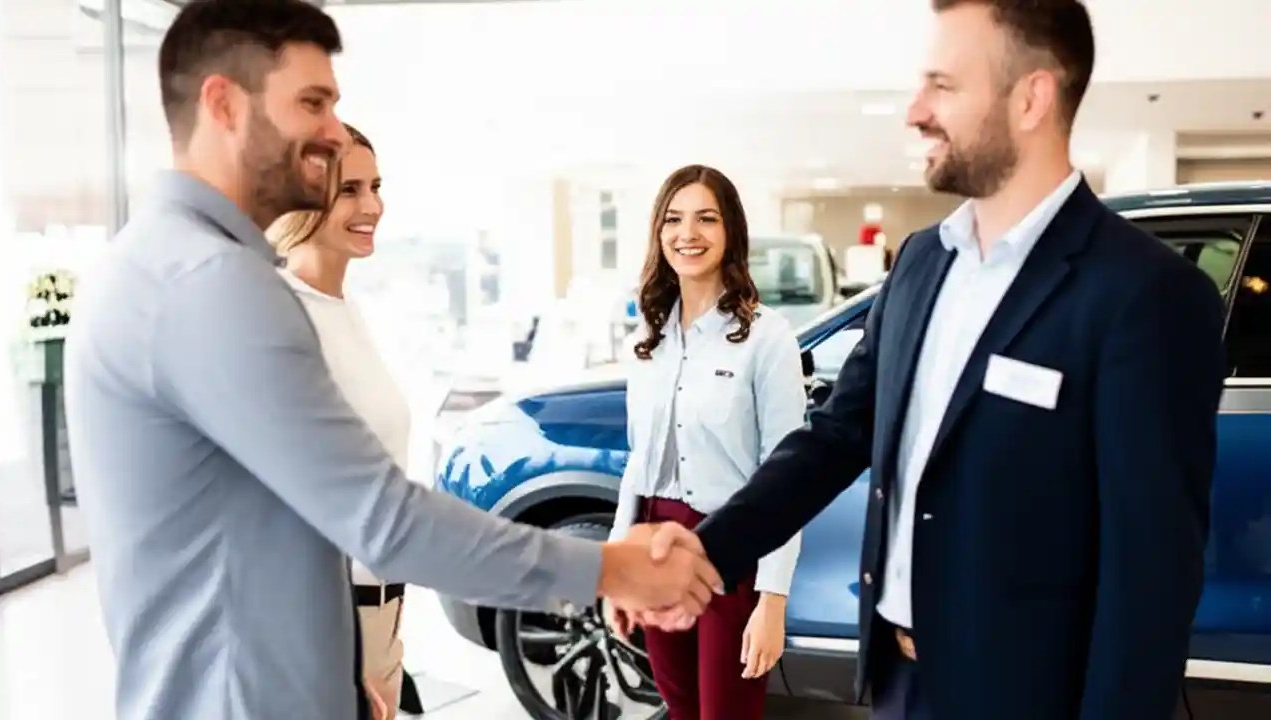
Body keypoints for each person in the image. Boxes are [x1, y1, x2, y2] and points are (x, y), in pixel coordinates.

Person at [63, 3, 719, 720]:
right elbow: (386, 523)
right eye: (312, 102)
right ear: (224, 103)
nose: (334, 131)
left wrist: (340, 679)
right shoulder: (211, 286)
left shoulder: (154, 266)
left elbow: (263, 535)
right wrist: (611, 568)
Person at [640, 1, 1227, 719]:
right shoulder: (922, 262)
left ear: (1031, 97)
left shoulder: (1148, 296)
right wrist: (706, 552)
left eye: (942, 85)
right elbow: (837, 436)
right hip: (900, 684)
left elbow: (1151, 581)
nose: (915, 111)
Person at [606, 165, 806, 720]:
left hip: (729, 550)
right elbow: (637, 463)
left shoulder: (767, 338)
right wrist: (617, 567)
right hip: (655, 548)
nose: (687, 233)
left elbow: (787, 478)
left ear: (730, 233)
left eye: (705, 219)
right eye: (673, 219)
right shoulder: (646, 340)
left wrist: (772, 599)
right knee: (680, 708)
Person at [265, 124, 412, 720]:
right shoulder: (282, 316)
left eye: (375, 186)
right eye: (348, 189)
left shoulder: (345, 310)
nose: (372, 205)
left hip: (381, 606)